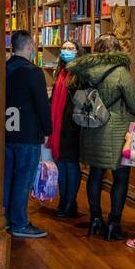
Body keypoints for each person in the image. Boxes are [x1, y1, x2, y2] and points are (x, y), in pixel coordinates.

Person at [68, 33, 135, 240]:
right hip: (117, 130)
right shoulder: (121, 72)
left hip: (91, 127)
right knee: (120, 177)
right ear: (118, 48)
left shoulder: (84, 70)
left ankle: (95, 219)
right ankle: (114, 224)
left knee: (95, 174)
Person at [5, 29, 52, 238]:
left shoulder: (3, 69)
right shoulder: (33, 72)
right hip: (27, 133)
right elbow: (42, 104)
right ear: (30, 46)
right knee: (23, 181)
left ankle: (5, 219)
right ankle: (20, 223)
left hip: (5, 133)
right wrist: (48, 129)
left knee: (7, 179)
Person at [48, 40, 84, 218]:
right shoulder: (61, 72)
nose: (66, 51)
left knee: (71, 164)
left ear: (78, 52)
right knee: (61, 164)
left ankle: (70, 202)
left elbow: (81, 101)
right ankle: (63, 201)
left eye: (71, 48)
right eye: (64, 48)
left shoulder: (80, 73)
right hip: (58, 126)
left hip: (73, 127)